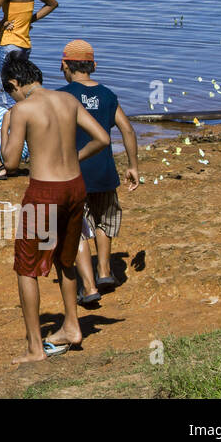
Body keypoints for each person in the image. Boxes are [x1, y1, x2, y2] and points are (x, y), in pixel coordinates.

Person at [0, 56, 110, 364]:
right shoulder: (67, 99)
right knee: (66, 257)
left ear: (14, 84)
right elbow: (102, 138)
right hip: (75, 186)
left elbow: (9, 163)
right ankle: (72, 327)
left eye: (11, 93)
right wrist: (76, 155)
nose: (13, 98)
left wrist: (9, 124)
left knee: (26, 267)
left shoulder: (22, 109)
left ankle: (36, 347)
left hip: (44, 192)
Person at [55, 40, 140, 303]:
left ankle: (89, 287)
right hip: (104, 171)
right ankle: (105, 272)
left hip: (75, 172)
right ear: (94, 65)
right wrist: (133, 165)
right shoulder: (108, 95)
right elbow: (127, 129)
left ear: (65, 65)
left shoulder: (62, 96)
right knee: (104, 221)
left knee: (77, 227)